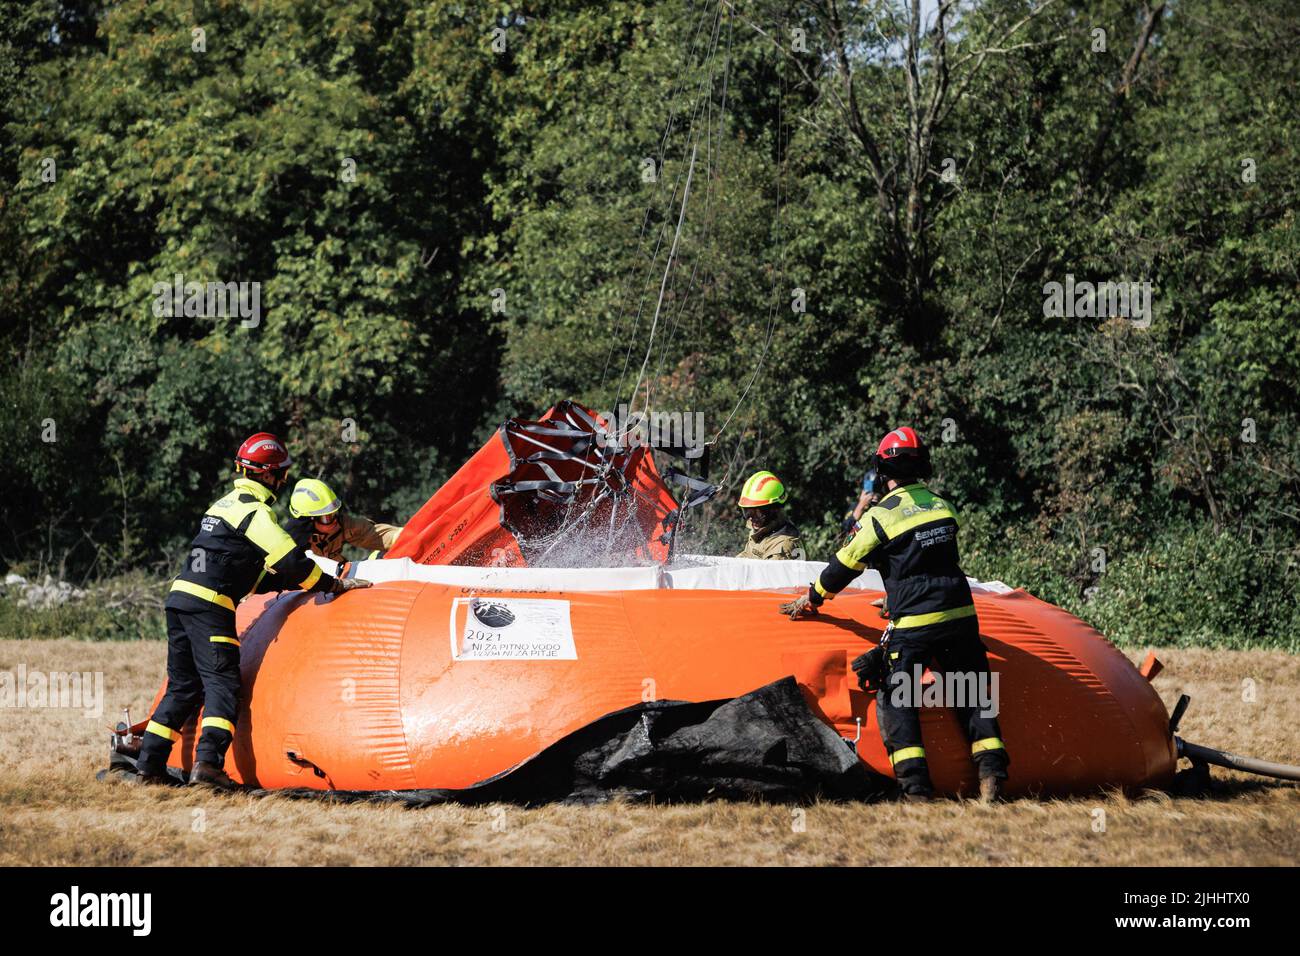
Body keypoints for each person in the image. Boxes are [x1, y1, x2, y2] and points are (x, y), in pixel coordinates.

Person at [779, 427, 1009, 802]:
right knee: (971, 694)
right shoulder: (942, 505)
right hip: (961, 614)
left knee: (897, 697)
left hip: (916, 623)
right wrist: (897, 591)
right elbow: (930, 558)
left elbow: (844, 564)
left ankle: (916, 790)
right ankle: (992, 776)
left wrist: (814, 597)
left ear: (883, 472)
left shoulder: (879, 517)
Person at [134, 433, 372, 789]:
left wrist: (285, 582)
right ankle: (208, 766)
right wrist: (331, 584)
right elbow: (289, 561)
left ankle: (148, 766)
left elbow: (252, 573)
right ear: (269, 475)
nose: (283, 481)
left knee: (183, 686)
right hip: (209, 605)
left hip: (179, 599)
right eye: (281, 475)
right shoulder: (256, 512)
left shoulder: (222, 506)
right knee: (223, 684)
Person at [287, 478, 403, 562]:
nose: (334, 521)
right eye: (327, 517)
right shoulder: (290, 547)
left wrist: (404, 536)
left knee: (379, 557)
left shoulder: (340, 524)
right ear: (308, 521)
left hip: (340, 581)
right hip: (312, 590)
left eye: (334, 513)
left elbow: (374, 534)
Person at [736, 470, 806, 560]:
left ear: (774, 509)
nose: (751, 517)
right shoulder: (762, 530)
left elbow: (767, 574)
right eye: (747, 511)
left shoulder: (783, 547)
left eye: (757, 512)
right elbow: (748, 554)